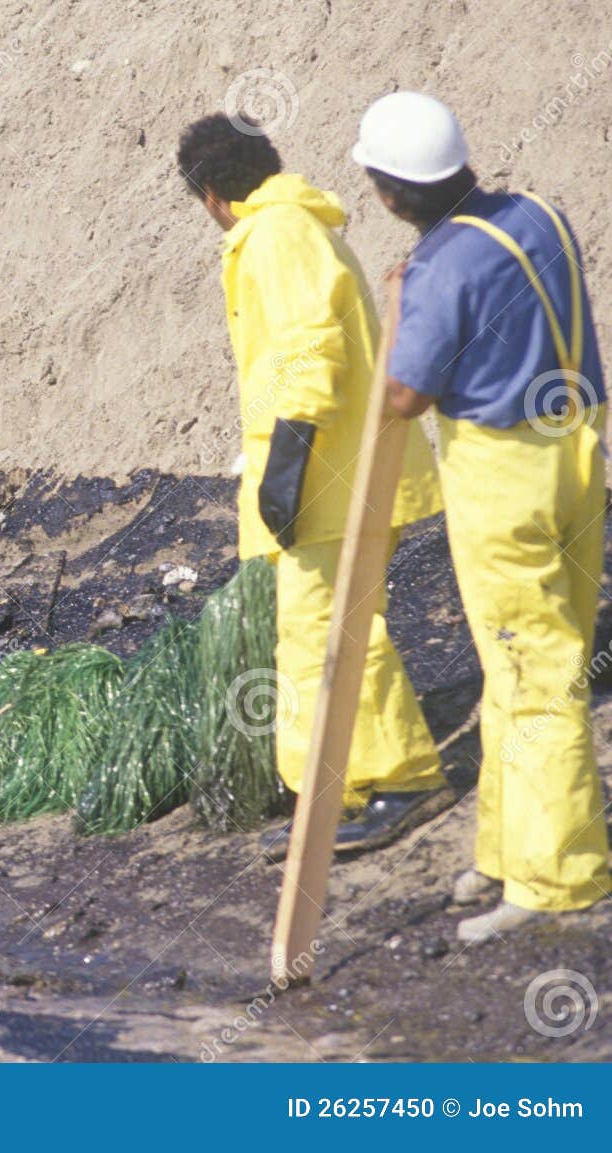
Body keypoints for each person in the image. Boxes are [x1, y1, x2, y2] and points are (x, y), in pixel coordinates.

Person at [356, 91, 612, 942]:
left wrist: (404, 310)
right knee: (526, 663)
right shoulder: (539, 212)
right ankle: (506, 849)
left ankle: (555, 878)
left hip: (505, 483)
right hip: (575, 454)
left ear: (391, 193)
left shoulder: (442, 269)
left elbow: (403, 394)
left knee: (535, 677)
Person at [175, 115, 453, 859]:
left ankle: (403, 778)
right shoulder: (288, 228)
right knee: (319, 635)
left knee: (332, 636)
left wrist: (289, 465)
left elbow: (310, 350)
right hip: (338, 479)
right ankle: (343, 786)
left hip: (333, 481)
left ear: (209, 194)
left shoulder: (277, 235)